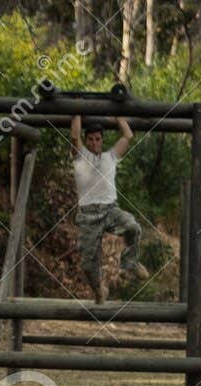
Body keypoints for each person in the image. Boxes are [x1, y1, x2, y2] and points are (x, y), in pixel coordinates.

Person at [71, 115, 144, 303]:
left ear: (102, 140)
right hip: (88, 215)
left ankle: (130, 262)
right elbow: (74, 137)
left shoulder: (110, 156)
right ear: (86, 141)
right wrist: (77, 112)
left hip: (111, 210)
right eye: (91, 139)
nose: (94, 142)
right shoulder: (80, 156)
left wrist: (119, 116)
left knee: (132, 227)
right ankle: (98, 289)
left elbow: (127, 135)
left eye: (98, 139)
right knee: (88, 263)